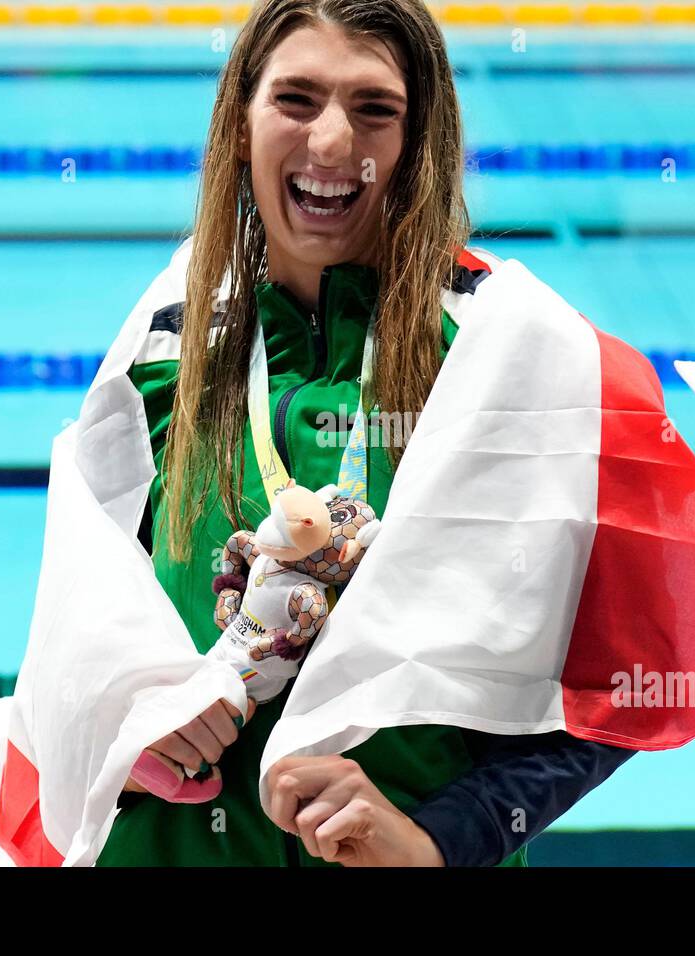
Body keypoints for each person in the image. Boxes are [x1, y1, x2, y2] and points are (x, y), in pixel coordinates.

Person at [94, 0, 635, 868]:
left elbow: (617, 685)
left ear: (421, 139)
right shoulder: (163, 355)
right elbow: (81, 642)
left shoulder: (507, 354)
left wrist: (440, 839)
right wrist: (125, 735)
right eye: (297, 100)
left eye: (375, 108)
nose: (334, 143)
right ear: (241, 125)